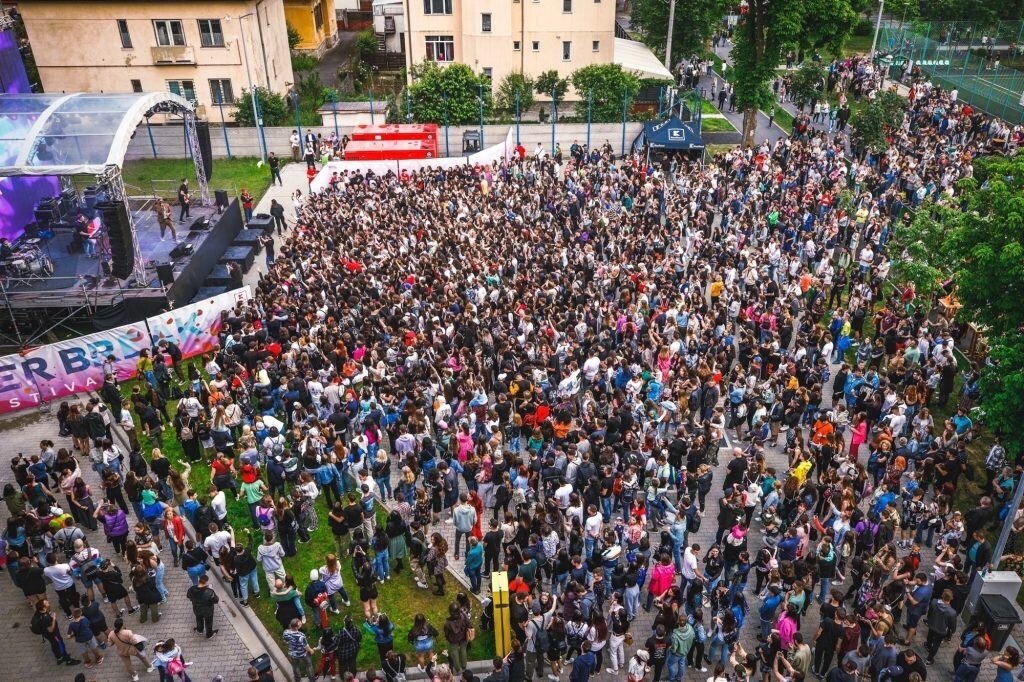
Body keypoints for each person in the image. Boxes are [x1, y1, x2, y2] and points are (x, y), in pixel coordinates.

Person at [186, 573, 220, 638]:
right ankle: (209, 634)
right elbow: (216, 600)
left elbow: (188, 596)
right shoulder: (210, 592)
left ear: (199, 581)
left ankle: (200, 630)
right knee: (208, 621)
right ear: (206, 582)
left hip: (196, 608)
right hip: (207, 610)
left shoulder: (192, 589)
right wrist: (211, 589)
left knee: (198, 618)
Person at [282, 617, 316, 681]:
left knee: (295, 666)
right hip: (303, 654)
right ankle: (312, 679)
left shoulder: (286, 632)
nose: (301, 624)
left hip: (292, 654)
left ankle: (297, 679)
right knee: (309, 665)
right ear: (296, 627)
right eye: (300, 624)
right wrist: (311, 651)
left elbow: (285, 641)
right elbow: (306, 646)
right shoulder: (301, 635)